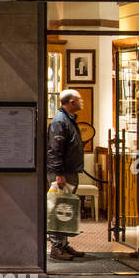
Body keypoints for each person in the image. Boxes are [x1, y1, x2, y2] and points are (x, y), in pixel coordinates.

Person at [47, 88, 86, 261]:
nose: (82, 101)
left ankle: (62, 244)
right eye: (79, 99)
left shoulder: (66, 120)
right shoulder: (60, 121)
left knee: (66, 207)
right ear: (71, 102)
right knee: (59, 207)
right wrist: (58, 173)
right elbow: (55, 149)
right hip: (63, 173)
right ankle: (56, 247)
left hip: (68, 171)